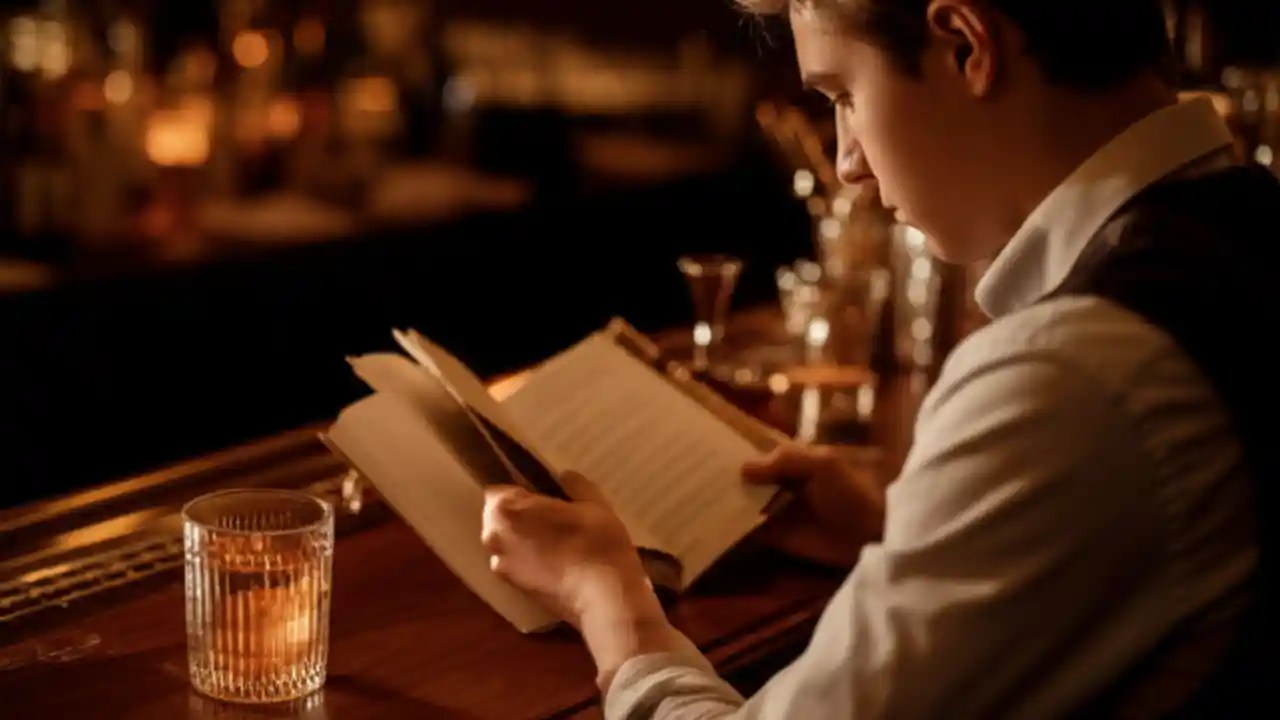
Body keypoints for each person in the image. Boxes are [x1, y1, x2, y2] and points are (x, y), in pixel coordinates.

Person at [481, 1, 1276, 717]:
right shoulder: (1242, 231)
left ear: (966, 45)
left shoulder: (1072, 376)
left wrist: (608, 601)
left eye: (843, 96)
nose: (849, 161)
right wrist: (899, 528)